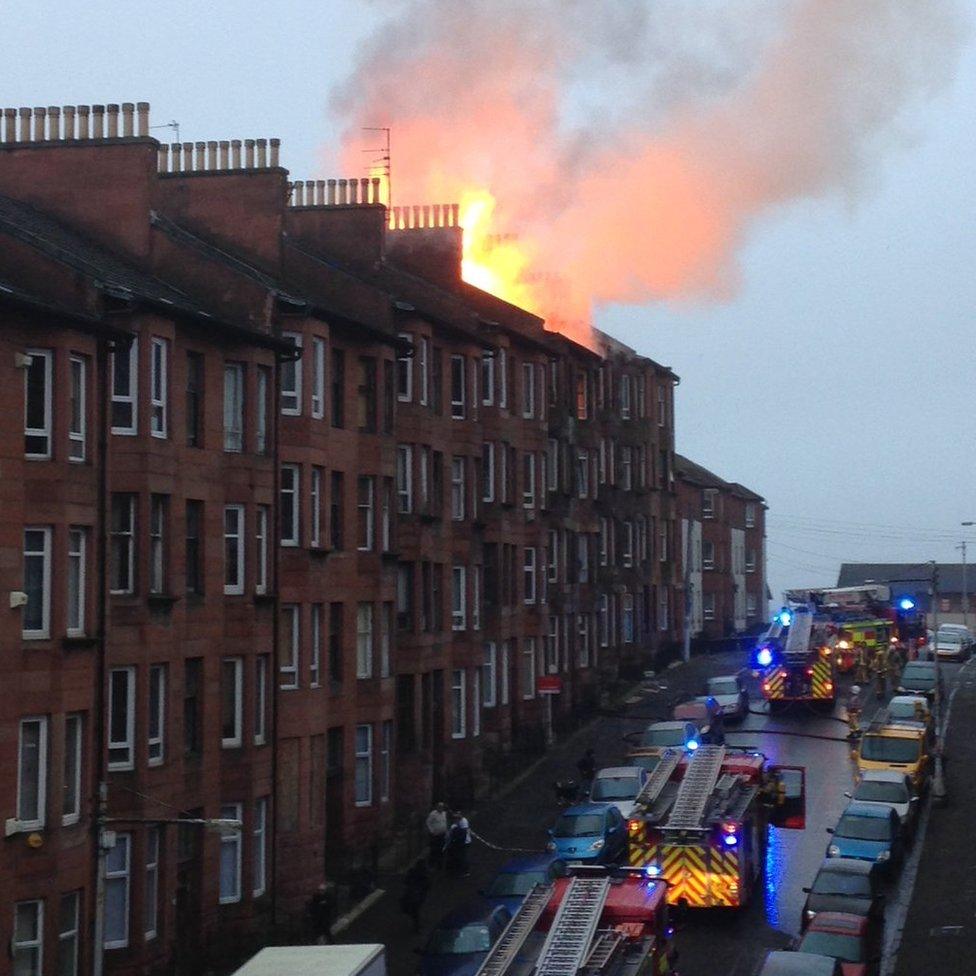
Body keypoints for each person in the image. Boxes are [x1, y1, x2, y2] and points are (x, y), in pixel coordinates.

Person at [399, 859, 430, 933]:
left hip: (411, 894)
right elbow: (427, 885)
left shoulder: (412, 872)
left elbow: (406, 882)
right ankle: (416, 927)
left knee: (414, 911)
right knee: (416, 911)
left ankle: (416, 925)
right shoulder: (424, 874)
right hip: (418, 895)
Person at [444, 811, 471, 877]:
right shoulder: (455, 825)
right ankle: (456, 870)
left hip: (463, 843)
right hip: (457, 843)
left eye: (457, 818)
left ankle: (464, 871)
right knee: (457, 857)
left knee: (463, 857)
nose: (456, 819)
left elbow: (462, 834)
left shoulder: (463, 822)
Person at [425, 801, 448, 868]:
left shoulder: (444, 814)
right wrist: (431, 831)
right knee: (434, 849)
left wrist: (446, 832)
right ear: (437, 807)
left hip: (442, 834)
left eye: (442, 807)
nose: (441, 808)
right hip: (435, 835)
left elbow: (445, 823)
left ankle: (440, 863)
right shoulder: (433, 814)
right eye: (439, 807)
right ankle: (432, 863)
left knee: (441, 849)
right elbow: (428, 822)